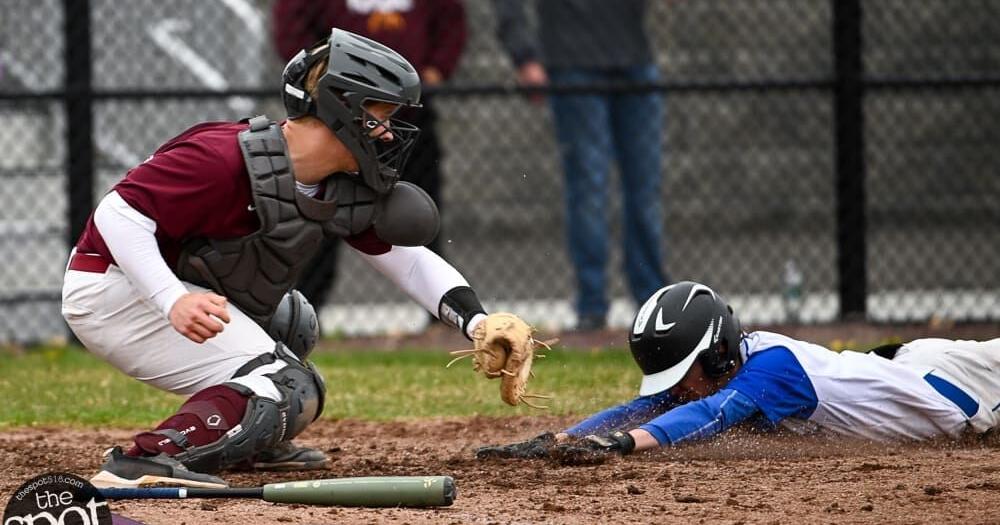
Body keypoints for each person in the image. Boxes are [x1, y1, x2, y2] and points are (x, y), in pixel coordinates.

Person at [62, 28, 511, 488]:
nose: (388, 132)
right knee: (286, 386)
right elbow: (117, 215)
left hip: (174, 287)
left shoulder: (333, 183)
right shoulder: (221, 156)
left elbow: (408, 261)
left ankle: (250, 443)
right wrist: (171, 298)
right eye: (378, 117)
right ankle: (146, 460)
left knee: (294, 323)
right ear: (342, 111)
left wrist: (478, 323)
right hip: (111, 291)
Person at [477, 281, 1000, 461]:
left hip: (961, 387)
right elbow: (646, 407)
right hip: (913, 366)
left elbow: (713, 414)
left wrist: (624, 445)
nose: (678, 389)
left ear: (717, 353)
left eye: (685, 373)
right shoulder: (728, 369)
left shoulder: (769, 370)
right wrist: (563, 438)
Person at [272, 0, 467, 312]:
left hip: (411, 116)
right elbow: (293, 28)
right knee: (321, 220)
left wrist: (436, 70)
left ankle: (442, 314)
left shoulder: (393, 128)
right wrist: (322, 81)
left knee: (414, 213)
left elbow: (451, 18)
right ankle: (299, 311)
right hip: (338, 119)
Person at [494, 0, 669, 331]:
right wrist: (525, 55)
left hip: (633, 58)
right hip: (572, 61)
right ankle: (592, 303)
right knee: (589, 187)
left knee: (644, 188)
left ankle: (652, 301)